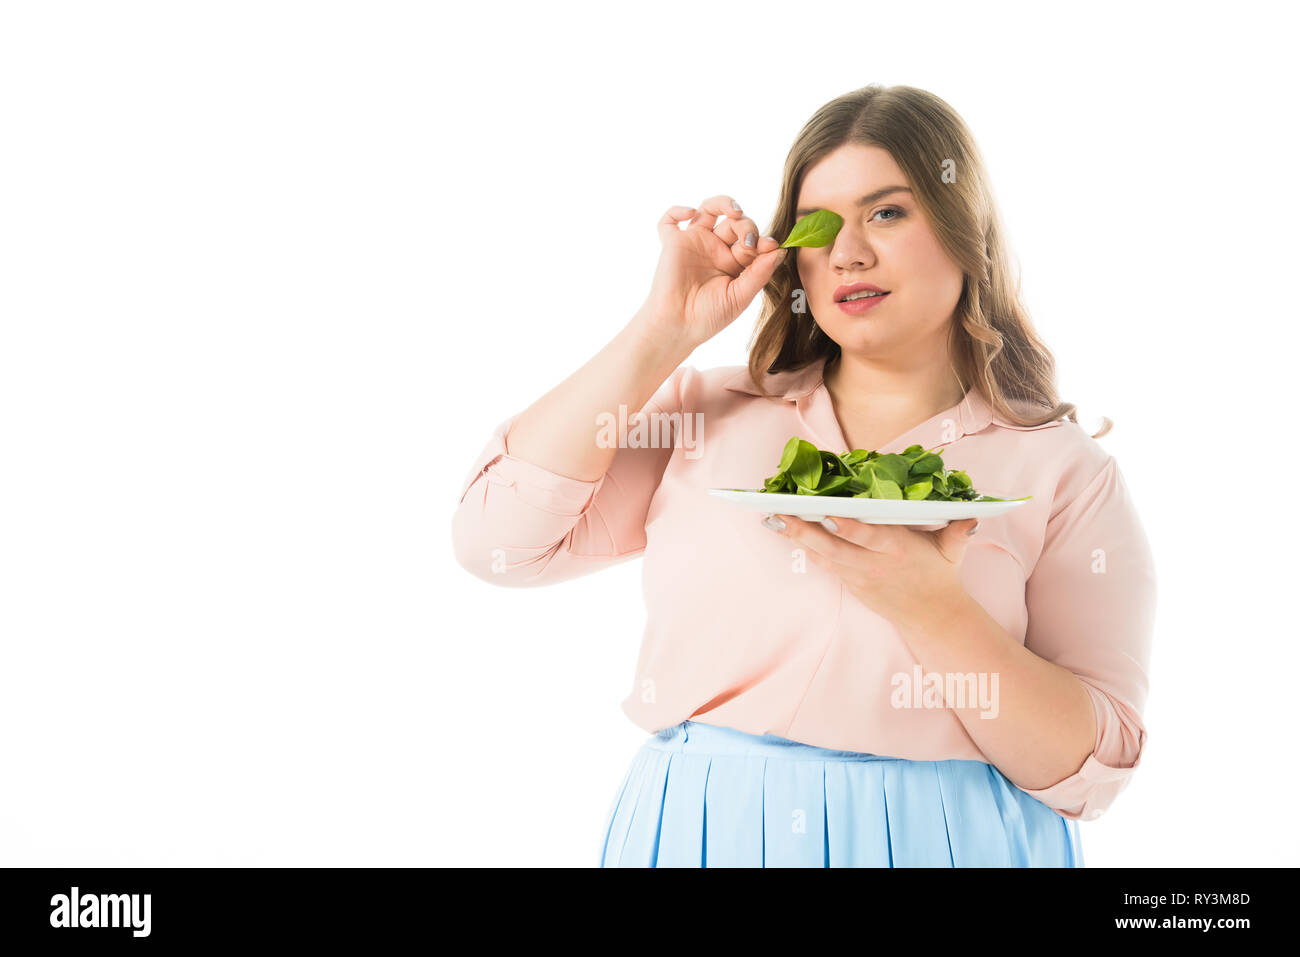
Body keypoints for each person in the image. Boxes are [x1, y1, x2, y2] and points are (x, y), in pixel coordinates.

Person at [450, 84, 1157, 867]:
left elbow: (1093, 775)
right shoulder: (704, 411)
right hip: (700, 835)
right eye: (820, 227)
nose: (848, 252)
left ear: (966, 231)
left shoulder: (1064, 471)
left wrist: (933, 609)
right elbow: (496, 542)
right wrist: (662, 331)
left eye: (888, 212)